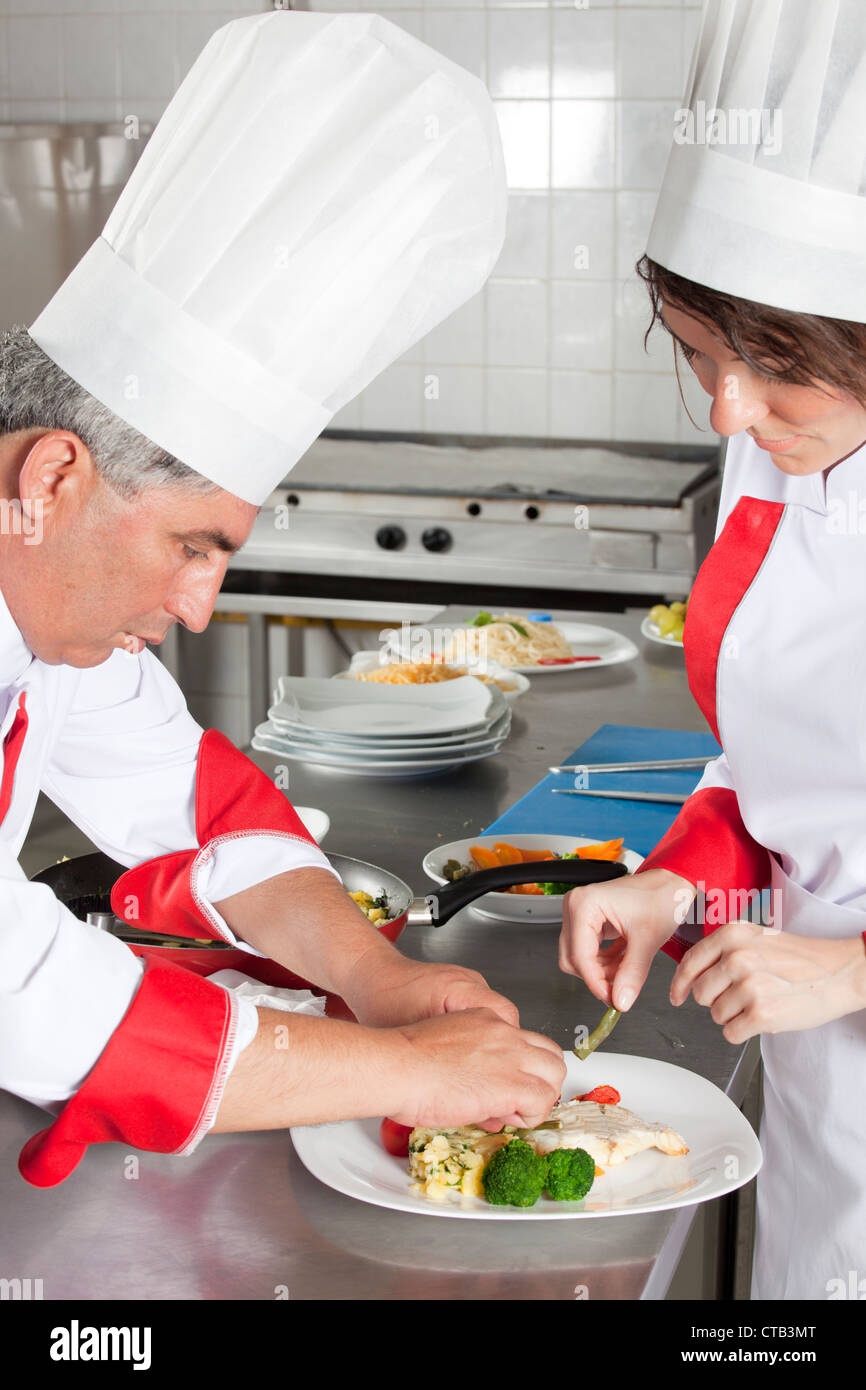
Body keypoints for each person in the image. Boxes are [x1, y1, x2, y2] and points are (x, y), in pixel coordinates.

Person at [1, 11, 565, 1189]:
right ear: (52, 478)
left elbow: (206, 808)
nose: (201, 609)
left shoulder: (52, 627)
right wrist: (410, 1073)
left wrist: (382, 980)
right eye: (191, 546)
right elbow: (30, 991)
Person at [558, 0, 866, 1299]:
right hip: (824, 1107)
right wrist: (681, 880)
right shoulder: (765, 450)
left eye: (775, 368)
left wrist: (851, 966)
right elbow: (779, 758)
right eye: (698, 353)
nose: (727, 409)